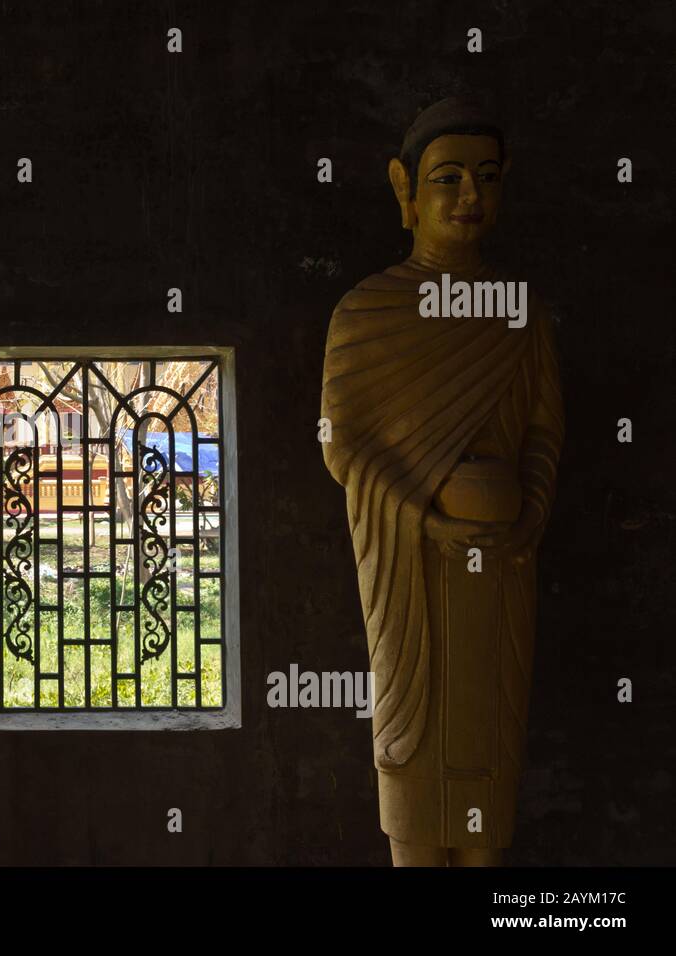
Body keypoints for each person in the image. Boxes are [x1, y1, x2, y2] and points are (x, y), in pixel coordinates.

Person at [320, 97, 564, 866]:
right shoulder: (364, 313)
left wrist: (526, 516)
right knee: (412, 745)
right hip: (409, 574)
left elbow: (544, 434)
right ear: (404, 190)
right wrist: (425, 522)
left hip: (499, 575)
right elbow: (340, 445)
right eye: (447, 178)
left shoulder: (518, 315)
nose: (469, 197)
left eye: (486, 178)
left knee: (488, 747)